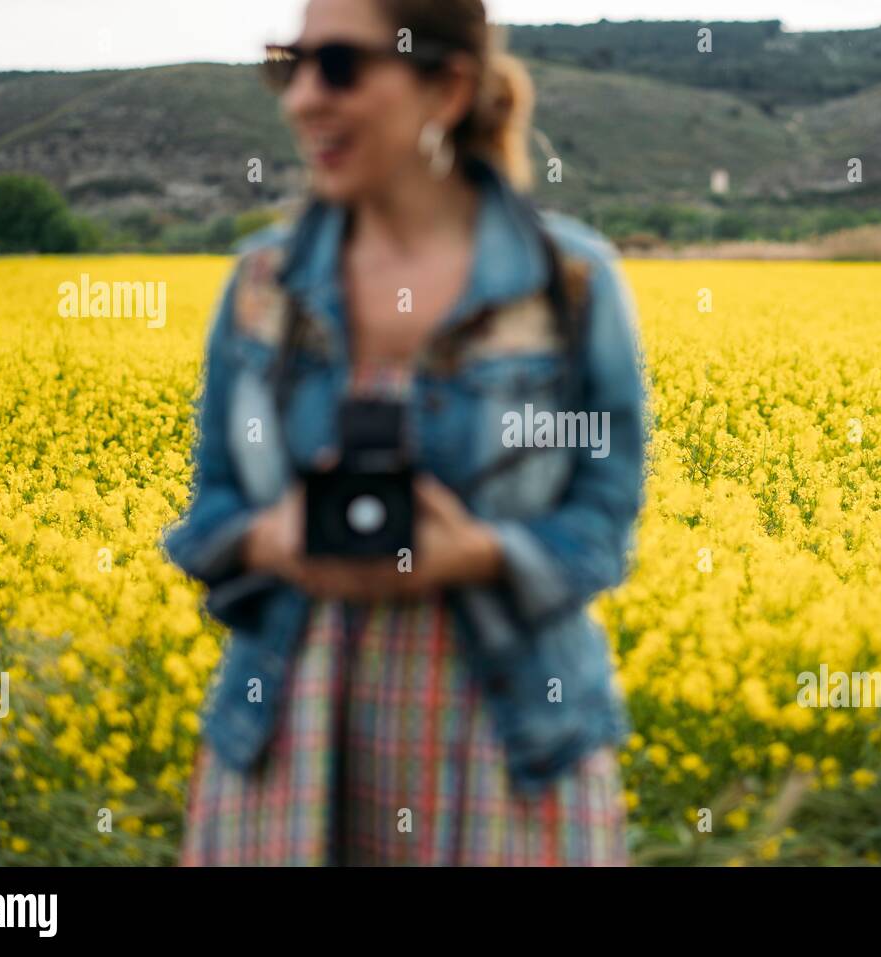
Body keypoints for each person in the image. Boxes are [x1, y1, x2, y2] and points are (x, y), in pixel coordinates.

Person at [163, 0, 646, 866]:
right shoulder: (261, 289)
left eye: (340, 66)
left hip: (510, 736)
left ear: (446, 87)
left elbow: (605, 523)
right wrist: (267, 540)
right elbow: (207, 514)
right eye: (289, 63)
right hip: (292, 728)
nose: (304, 98)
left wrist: (486, 552)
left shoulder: (566, 287)